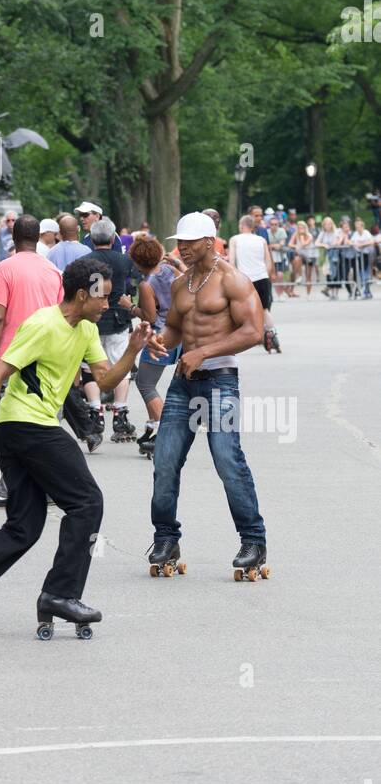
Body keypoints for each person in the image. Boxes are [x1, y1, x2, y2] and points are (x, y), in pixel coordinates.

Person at [0, 253, 151, 639]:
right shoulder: (42, 324)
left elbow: (104, 382)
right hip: (25, 425)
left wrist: (133, 350)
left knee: (25, 525)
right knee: (87, 502)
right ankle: (61, 593)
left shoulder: (86, 329)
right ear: (83, 294)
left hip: (28, 428)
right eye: (102, 297)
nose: (108, 304)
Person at [146, 212, 267, 577]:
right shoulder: (181, 284)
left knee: (227, 460)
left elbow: (254, 331)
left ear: (209, 242)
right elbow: (174, 328)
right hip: (184, 383)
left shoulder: (234, 280)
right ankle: (166, 537)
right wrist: (159, 341)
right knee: (164, 461)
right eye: (178, 242)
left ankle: (253, 540)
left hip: (220, 383)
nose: (180, 248)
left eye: (188, 242)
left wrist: (205, 352)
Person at [0, 215, 63, 508]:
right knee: (44, 419)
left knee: (9, 422)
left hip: (13, 355)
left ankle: (8, 487)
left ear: (13, 237)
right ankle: (49, 485)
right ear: (39, 236)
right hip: (48, 355)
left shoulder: (4, 269)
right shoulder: (53, 271)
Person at [83, 217, 139, 440]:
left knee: (89, 366)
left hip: (92, 320)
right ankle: (120, 412)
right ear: (114, 236)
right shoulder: (124, 261)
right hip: (117, 317)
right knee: (119, 364)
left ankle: (95, 411)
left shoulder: (86, 260)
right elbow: (133, 283)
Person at [129, 236, 179, 459]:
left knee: (145, 383)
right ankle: (153, 425)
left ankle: (163, 432)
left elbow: (149, 315)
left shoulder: (146, 284)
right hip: (178, 332)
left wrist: (129, 307)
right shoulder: (170, 270)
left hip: (159, 337)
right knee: (150, 384)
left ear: (137, 261)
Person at [229, 214, 278, 350]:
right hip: (262, 277)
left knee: (247, 310)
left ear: (242, 225)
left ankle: (255, 335)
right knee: (265, 309)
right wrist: (266, 275)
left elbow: (232, 262)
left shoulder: (235, 240)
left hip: (246, 279)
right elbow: (268, 261)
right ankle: (273, 333)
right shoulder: (261, 240)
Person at [290, 219, 317, 295]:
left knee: (308, 275)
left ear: (305, 228)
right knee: (297, 259)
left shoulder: (309, 235)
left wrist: (301, 237)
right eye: (299, 228)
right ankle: (300, 276)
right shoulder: (295, 234)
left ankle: (308, 294)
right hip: (301, 255)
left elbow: (304, 244)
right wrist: (296, 245)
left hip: (310, 256)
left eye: (302, 228)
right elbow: (290, 244)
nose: (300, 229)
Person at [317, 215, 341, 295]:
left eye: (329, 223)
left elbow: (337, 242)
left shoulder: (336, 231)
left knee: (336, 273)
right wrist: (324, 245)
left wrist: (332, 245)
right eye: (326, 224)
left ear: (332, 224)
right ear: (323, 225)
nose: (328, 225)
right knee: (328, 273)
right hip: (326, 256)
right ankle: (330, 291)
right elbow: (316, 242)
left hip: (335, 255)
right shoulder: (322, 233)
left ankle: (335, 293)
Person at [352, 217, 376, 298]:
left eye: (358, 226)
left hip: (367, 255)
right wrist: (354, 244)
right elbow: (350, 241)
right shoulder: (355, 234)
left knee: (366, 275)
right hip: (359, 255)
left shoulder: (366, 232)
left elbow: (372, 241)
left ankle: (367, 291)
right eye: (356, 227)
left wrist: (362, 244)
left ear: (362, 226)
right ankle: (366, 291)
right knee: (361, 274)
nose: (357, 228)